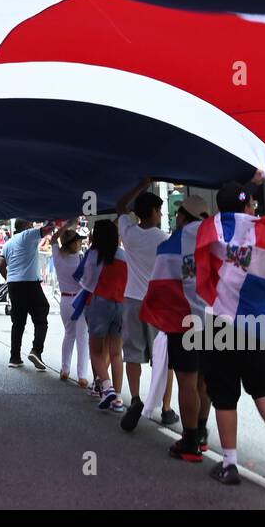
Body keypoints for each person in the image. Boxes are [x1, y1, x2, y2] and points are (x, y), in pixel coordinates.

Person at [202, 179, 265, 491]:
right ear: (248, 205)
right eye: (252, 203)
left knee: (224, 394)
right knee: (264, 387)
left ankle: (229, 464)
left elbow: (200, 269)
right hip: (256, 326)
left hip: (220, 322)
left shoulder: (210, 231)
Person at [149, 195, 216, 462]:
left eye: (178, 214)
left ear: (184, 216)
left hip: (185, 321)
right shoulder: (217, 238)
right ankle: (201, 433)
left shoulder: (170, 245)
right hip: (215, 320)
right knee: (205, 379)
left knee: (187, 380)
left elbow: (160, 286)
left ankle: (189, 443)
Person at [115, 178, 175, 430]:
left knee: (132, 354)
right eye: (159, 210)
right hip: (157, 303)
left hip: (131, 301)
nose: (161, 214)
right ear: (153, 211)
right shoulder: (164, 239)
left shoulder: (129, 234)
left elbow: (120, 205)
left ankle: (135, 399)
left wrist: (142, 184)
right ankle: (166, 408)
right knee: (164, 359)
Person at [78, 219, 128, 412]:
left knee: (96, 351)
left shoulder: (93, 255)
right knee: (116, 353)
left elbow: (86, 282)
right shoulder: (123, 254)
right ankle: (118, 399)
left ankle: (107, 388)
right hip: (120, 304)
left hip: (99, 303)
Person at [0, 219, 56, 369]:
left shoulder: (8, 243)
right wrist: (56, 219)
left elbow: (1, 265)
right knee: (41, 315)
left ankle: (14, 357)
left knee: (18, 322)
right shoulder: (27, 235)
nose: (32, 226)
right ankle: (36, 350)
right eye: (30, 224)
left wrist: (9, 278)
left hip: (14, 284)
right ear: (25, 226)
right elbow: (48, 229)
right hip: (29, 283)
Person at [52, 227, 90, 387]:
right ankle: (82, 375)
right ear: (73, 244)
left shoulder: (58, 258)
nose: (81, 243)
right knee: (82, 338)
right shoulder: (81, 260)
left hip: (65, 300)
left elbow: (53, 239)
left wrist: (65, 225)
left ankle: (65, 369)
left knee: (69, 335)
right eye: (79, 241)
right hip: (80, 301)